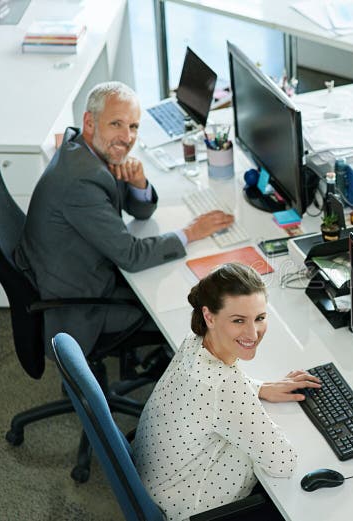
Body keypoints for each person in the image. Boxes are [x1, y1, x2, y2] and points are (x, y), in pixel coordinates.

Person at [14, 81, 234, 355]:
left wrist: (139, 183)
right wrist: (191, 232)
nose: (127, 137)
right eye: (116, 124)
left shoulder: (83, 149)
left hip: (82, 272)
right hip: (82, 305)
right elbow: (132, 256)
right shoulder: (81, 181)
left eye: (133, 127)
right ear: (89, 122)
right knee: (194, 309)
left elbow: (139, 212)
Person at [133, 263, 322, 520]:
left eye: (260, 318)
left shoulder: (195, 341)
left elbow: (217, 395)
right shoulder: (223, 388)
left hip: (158, 488)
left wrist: (260, 388)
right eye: (238, 320)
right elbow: (283, 463)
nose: (252, 333)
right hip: (193, 509)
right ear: (209, 316)